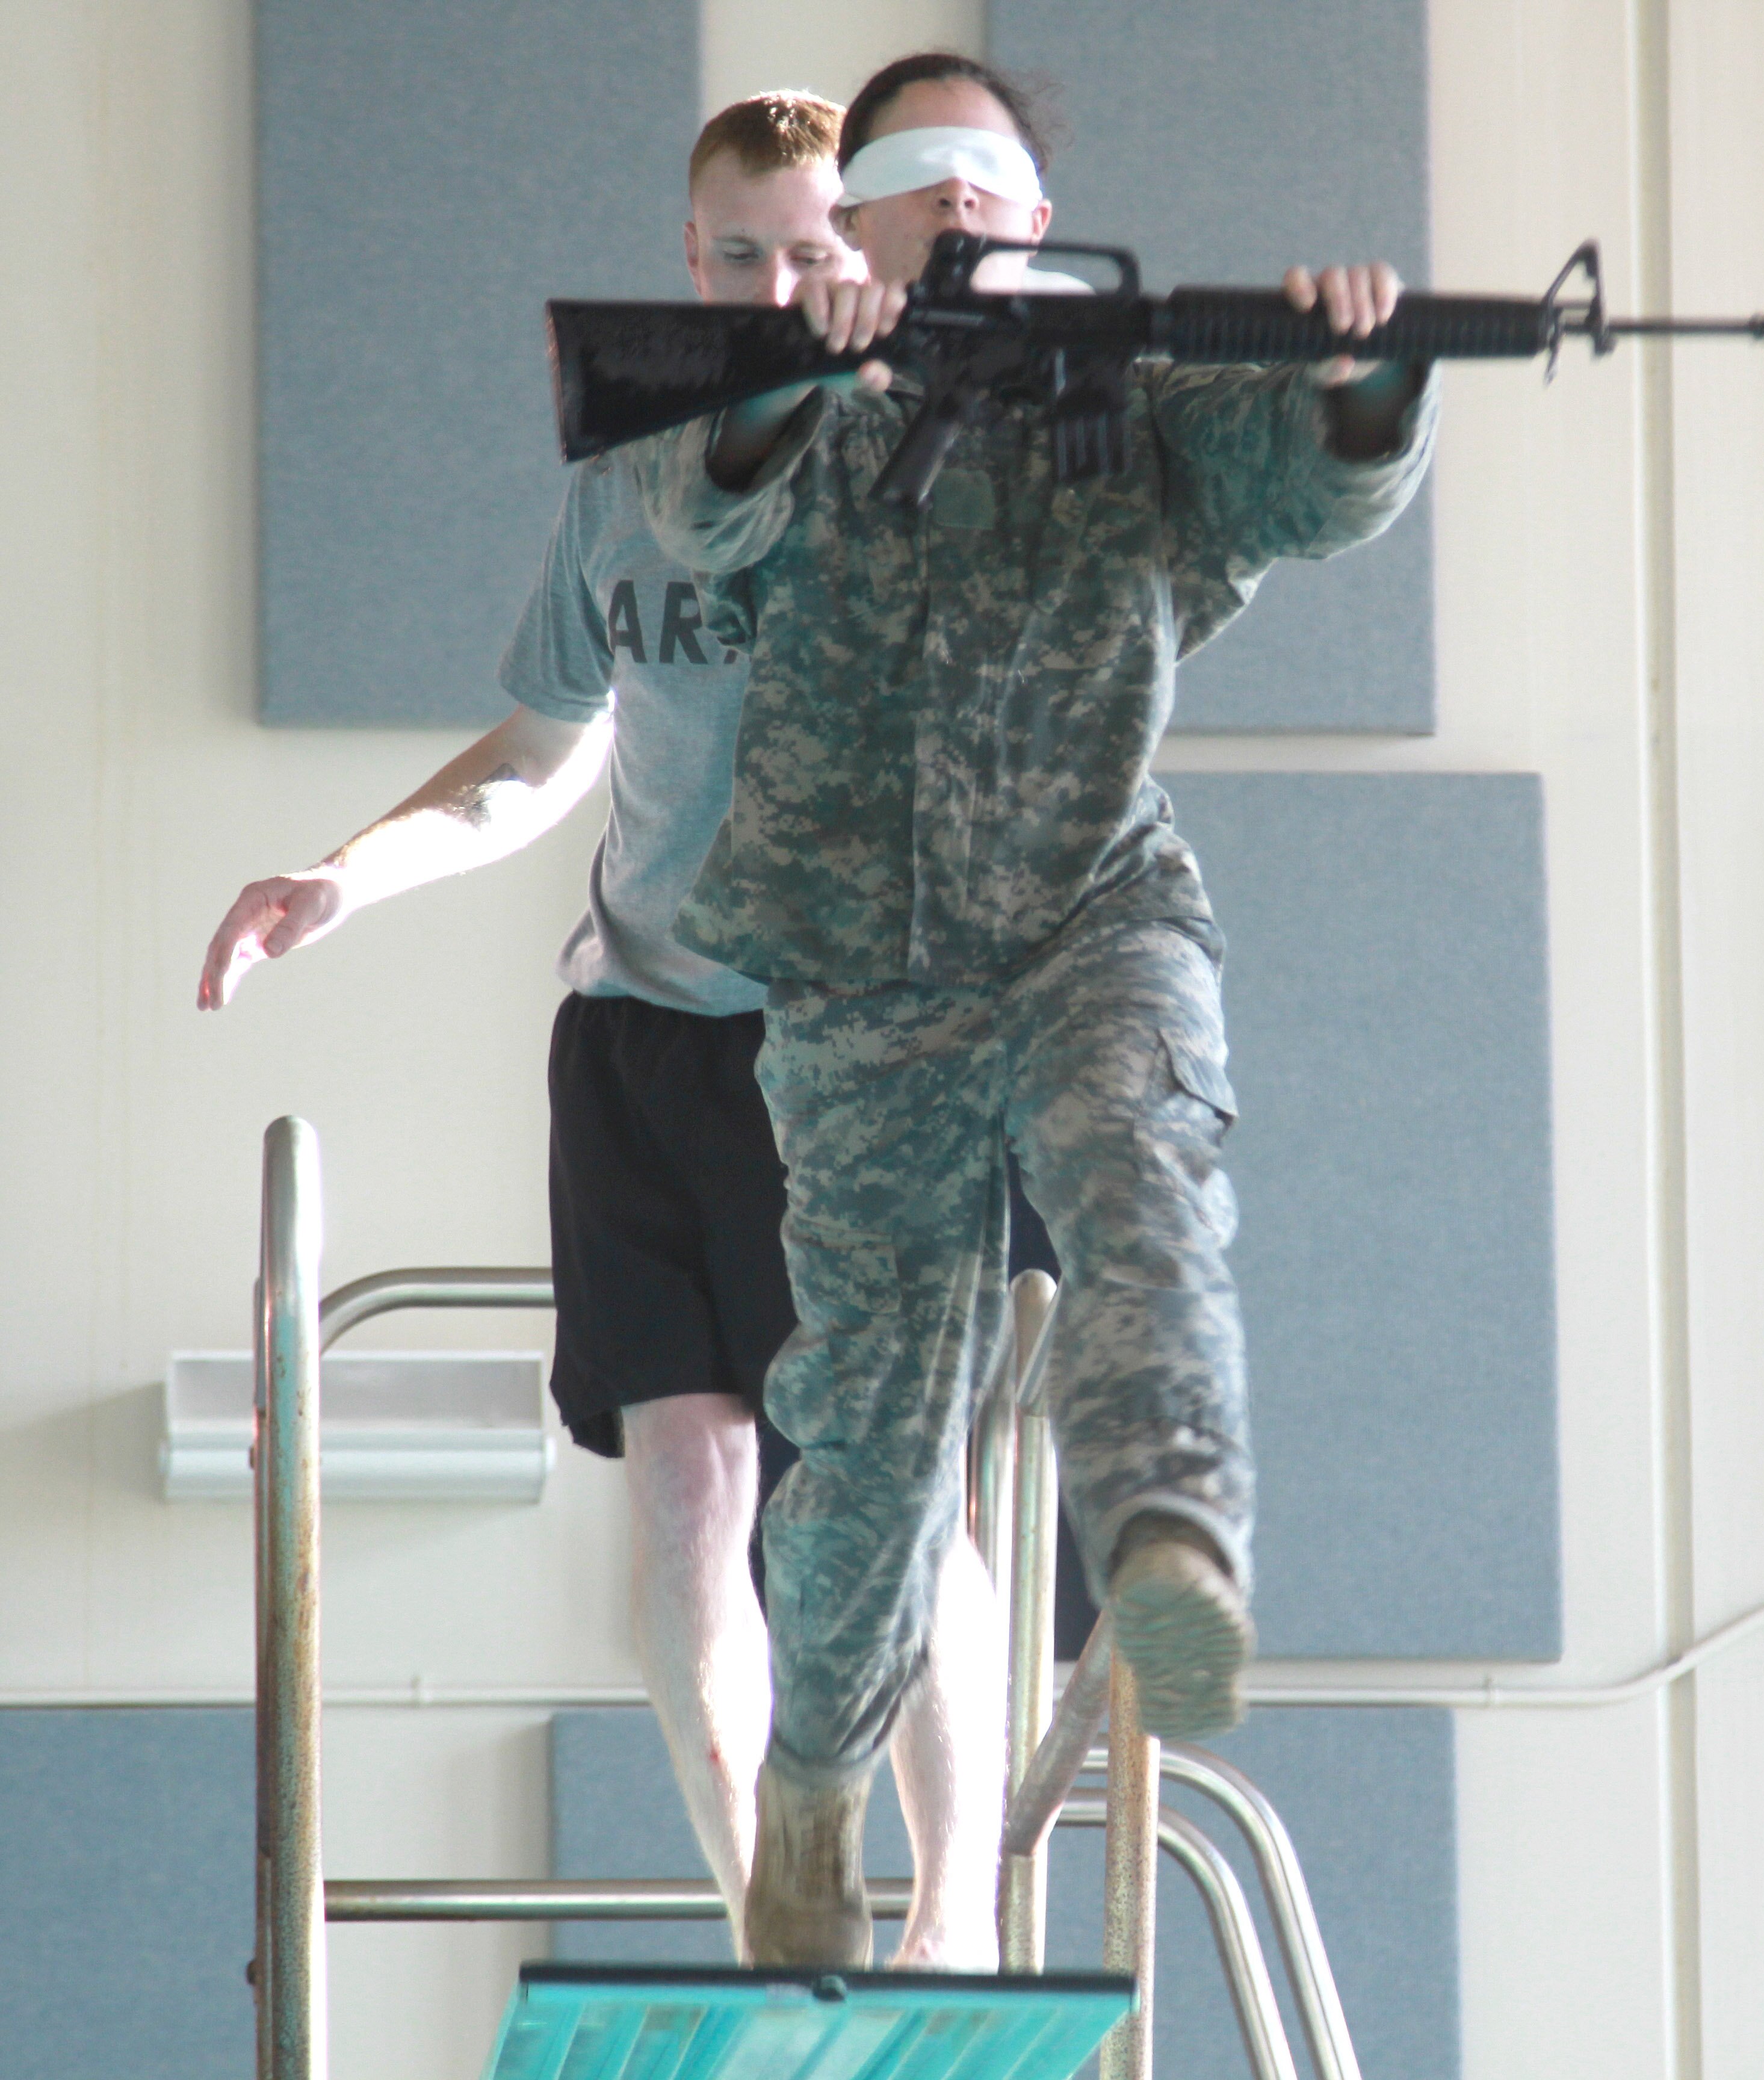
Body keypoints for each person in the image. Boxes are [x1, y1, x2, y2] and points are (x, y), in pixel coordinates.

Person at [629, 51, 1440, 1967]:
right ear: (866, 215)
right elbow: (696, 513)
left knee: (1144, 1194)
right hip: (853, 966)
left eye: (996, 180)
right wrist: (795, 374)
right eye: (922, 178)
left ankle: (1168, 1544)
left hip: (1091, 909)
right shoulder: (790, 385)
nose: (965, 205)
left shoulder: (1146, 402)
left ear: (1040, 218)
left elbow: (1317, 491)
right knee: (873, 1432)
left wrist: (1360, 378)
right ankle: (816, 1781)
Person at [196, 91, 1006, 1971]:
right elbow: (540, 758)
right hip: (641, 1036)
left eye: (812, 252)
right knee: (686, 1495)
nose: (775, 286)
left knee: (878, 1488)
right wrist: (337, 877)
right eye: (737, 255)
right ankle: (772, 1922)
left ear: (861, 252)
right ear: (689, 261)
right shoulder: (626, 473)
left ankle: (955, 1920)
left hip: (844, 1043)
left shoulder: (925, 455)